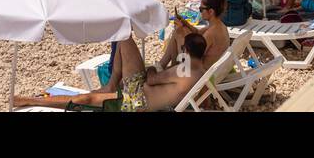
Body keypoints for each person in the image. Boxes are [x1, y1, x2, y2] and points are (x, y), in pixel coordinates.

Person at [12, 35, 206, 112]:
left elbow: (152, 78)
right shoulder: (200, 69)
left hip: (136, 101)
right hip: (138, 95)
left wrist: (154, 67)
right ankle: (112, 84)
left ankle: (30, 100)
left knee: (85, 99)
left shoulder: (185, 70)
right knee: (123, 38)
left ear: (185, 50)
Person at [157, 0, 230, 73]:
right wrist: (186, 23)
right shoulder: (218, 25)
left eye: (201, 9)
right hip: (211, 69)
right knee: (181, 31)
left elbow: (193, 58)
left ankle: (164, 67)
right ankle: (164, 66)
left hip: (198, 72)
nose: (200, 12)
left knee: (178, 33)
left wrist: (181, 32)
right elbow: (198, 32)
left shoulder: (210, 33)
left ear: (211, 12)